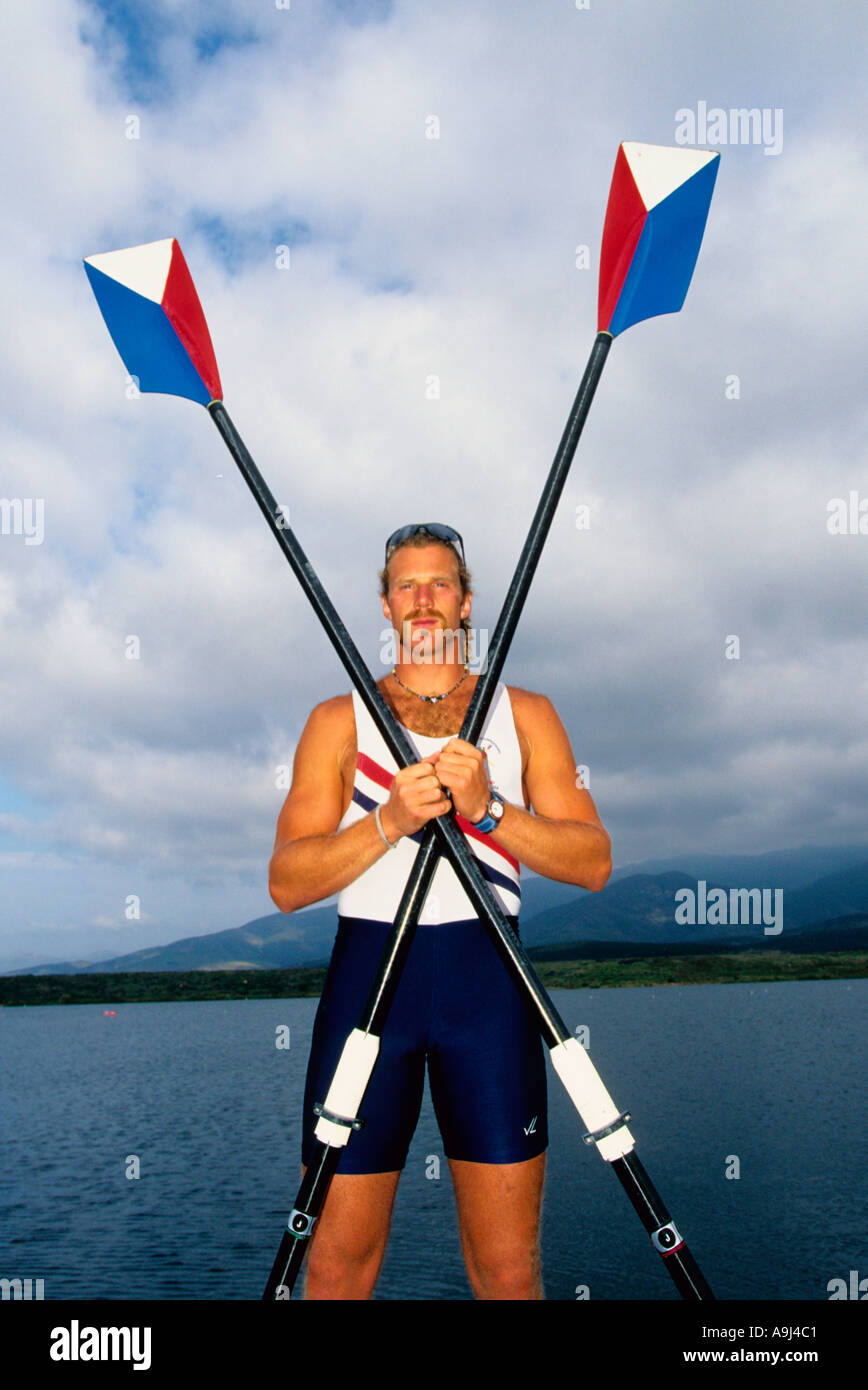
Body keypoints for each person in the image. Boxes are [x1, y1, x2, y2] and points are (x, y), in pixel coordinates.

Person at [269, 522, 611, 1300]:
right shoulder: (338, 721)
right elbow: (287, 881)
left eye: (440, 584)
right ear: (386, 606)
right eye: (406, 586)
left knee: (507, 1271)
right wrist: (388, 821)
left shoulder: (523, 713)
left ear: (466, 602)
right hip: (369, 985)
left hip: (489, 986)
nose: (423, 599)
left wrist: (490, 812)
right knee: (334, 1266)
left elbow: (593, 862)